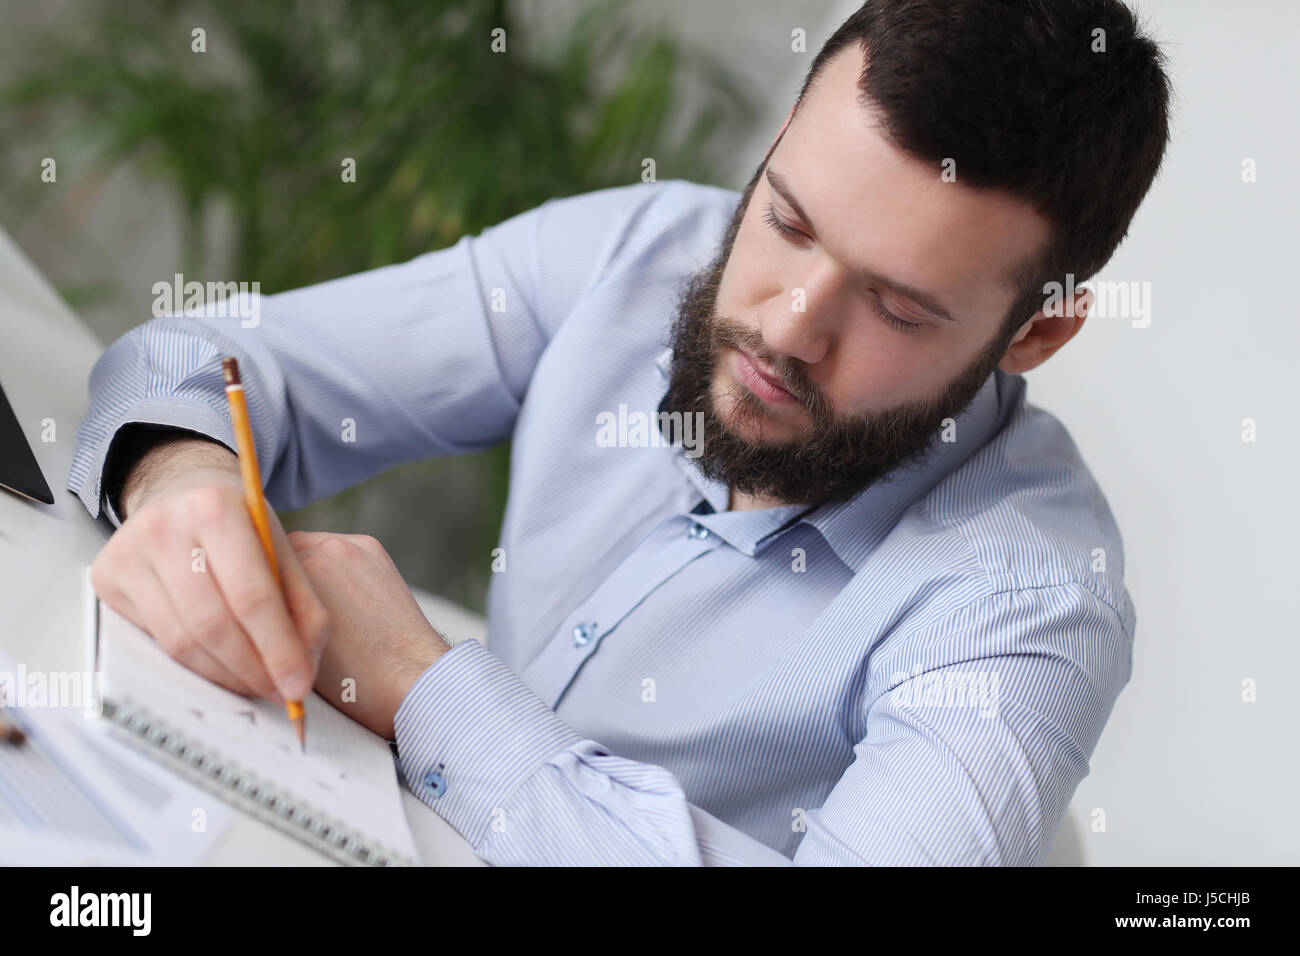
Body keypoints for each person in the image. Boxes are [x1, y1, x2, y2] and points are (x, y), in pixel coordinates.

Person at [68, 0, 1171, 865]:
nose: (786, 328)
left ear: (1036, 332)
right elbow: (204, 361)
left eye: (895, 305)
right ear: (782, 138)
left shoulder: (1030, 603)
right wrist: (180, 485)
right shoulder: (638, 251)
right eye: (786, 219)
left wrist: (422, 682)